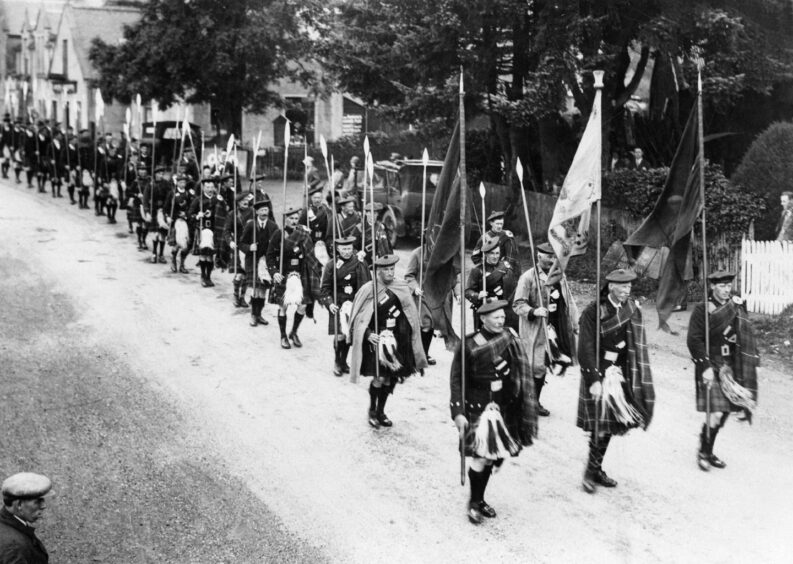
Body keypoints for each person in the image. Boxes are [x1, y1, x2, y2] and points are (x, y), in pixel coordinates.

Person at [450, 300, 537, 525]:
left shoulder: (509, 338)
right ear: (483, 319)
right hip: (478, 407)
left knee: (491, 457)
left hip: (503, 405)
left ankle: (479, 499)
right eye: (496, 317)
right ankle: (474, 502)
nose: (501, 320)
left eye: (502, 316)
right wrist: (458, 411)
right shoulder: (468, 344)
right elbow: (457, 380)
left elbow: (518, 370)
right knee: (481, 457)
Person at [577, 268, 655, 494]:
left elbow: (636, 343)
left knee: (610, 425)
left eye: (629, 286)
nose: (626, 290)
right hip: (600, 372)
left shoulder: (631, 308)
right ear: (611, 286)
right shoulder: (594, 311)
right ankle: (590, 473)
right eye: (622, 286)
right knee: (600, 425)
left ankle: (597, 468)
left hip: (619, 372)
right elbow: (585, 347)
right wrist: (593, 378)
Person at [687, 270, 759, 472]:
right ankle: (703, 451)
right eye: (722, 286)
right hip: (712, 364)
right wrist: (705, 367)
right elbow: (694, 340)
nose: (726, 290)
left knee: (725, 411)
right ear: (712, 286)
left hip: (731, 365)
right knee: (716, 412)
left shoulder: (736, 305)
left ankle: (708, 450)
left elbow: (746, 332)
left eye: (728, 286)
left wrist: (751, 359)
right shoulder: (703, 309)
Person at [348, 255, 428, 428]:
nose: (390, 273)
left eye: (392, 269)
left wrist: (408, 337)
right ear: (378, 271)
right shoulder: (369, 290)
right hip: (376, 341)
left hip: (396, 339)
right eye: (386, 270)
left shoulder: (401, 287)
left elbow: (409, 313)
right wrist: (368, 334)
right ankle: (372, 410)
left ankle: (381, 411)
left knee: (391, 378)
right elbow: (359, 318)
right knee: (379, 377)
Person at [513, 242, 579, 416]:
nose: (551, 260)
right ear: (538, 256)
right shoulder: (528, 277)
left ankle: (533, 401)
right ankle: (524, 401)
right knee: (533, 365)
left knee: (541, 366)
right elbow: (518, 304)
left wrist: (575, 323)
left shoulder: (560, 276)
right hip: (535, 329)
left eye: (553, 256)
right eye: (548, 256)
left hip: (554, 328)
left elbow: (568, 301)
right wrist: (534, 311)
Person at [266, 206, 322, 347]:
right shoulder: (278, 234)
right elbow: (270, 256)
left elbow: (310, 255)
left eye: (296, 218)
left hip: (301, 274)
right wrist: (274, 273)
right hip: (284, 273)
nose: (293, 221)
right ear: (285, 219)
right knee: (283, 306)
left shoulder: (303, 233)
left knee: (302, 306)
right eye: (291, 218)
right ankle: (283, 336)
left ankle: (294, 332)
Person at [320, 236, 370, 376]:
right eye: (344, 249)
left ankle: (343, 362)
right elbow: (324, 289)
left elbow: (366, 283)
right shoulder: (331, 265)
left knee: (349, 334)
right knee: (340, 335)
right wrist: (329, 304)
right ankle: (337, 361)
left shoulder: (359, 262)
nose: (347, 252)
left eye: (349, 248)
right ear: (337, 249)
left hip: (354, 303)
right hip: (338, 304)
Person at [239, 196, 279, 325]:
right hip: (253, 261)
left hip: (266, 262)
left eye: (266, 210)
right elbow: (242, 243)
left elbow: (277, 244)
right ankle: (253, 315)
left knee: (263, 291)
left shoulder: (273, 226)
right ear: (256, 212)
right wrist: (249, 247)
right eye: (261, 210)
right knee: (256, 290)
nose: (264, 213)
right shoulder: (251, 225)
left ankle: (259, 314)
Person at [464, 239, 519, 331]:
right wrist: (478, 296)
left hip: (504, 310)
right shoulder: (478, 270)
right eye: (492, 253)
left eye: (497, 253)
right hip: (486, 309)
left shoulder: (506, 267)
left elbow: (514, 288)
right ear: (485, 254)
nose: (495, 256)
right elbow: (467, 291)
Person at [0, 472, 52, 563]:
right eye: (38, 501)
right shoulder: (14, 547)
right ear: (19, 504)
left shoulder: (5, 523)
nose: (44, 506)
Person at [188, 178, 220, 287]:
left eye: (211, 187)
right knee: (203, 254)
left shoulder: (217, 200)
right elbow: (190, 215)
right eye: (207, 187)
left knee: (210, 255)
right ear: (203, 187)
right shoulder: (198, 200)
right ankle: (202, 276)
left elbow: (224, 213)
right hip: (202, 229)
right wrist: (197, 216)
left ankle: (208, 277)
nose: (210, 189)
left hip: (214, 229)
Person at [226, 192, 255, 308]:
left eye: (246, 200)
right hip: (238, 246)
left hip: (250, 246)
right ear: (238, 202)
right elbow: (226, 230)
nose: (245, 202)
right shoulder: (232, 214)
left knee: (247, 275)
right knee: (239, 275)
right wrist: (230, 241)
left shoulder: (253, 212)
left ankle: (242, 297)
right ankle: (236, 296)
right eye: (242, 201)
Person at [141, 166, 171, 264]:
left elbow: (170, 197)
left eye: (162, 174)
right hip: (153, 210)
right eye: (159, 173)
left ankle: (161, 254)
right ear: (155, 174)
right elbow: (145, 199)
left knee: (162, 234)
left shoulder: (166, 184)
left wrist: (166, 210)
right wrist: (147, 212)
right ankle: (154, 253)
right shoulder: (150, 185)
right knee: (155, 234)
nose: (160, 175)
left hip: (163, 210)